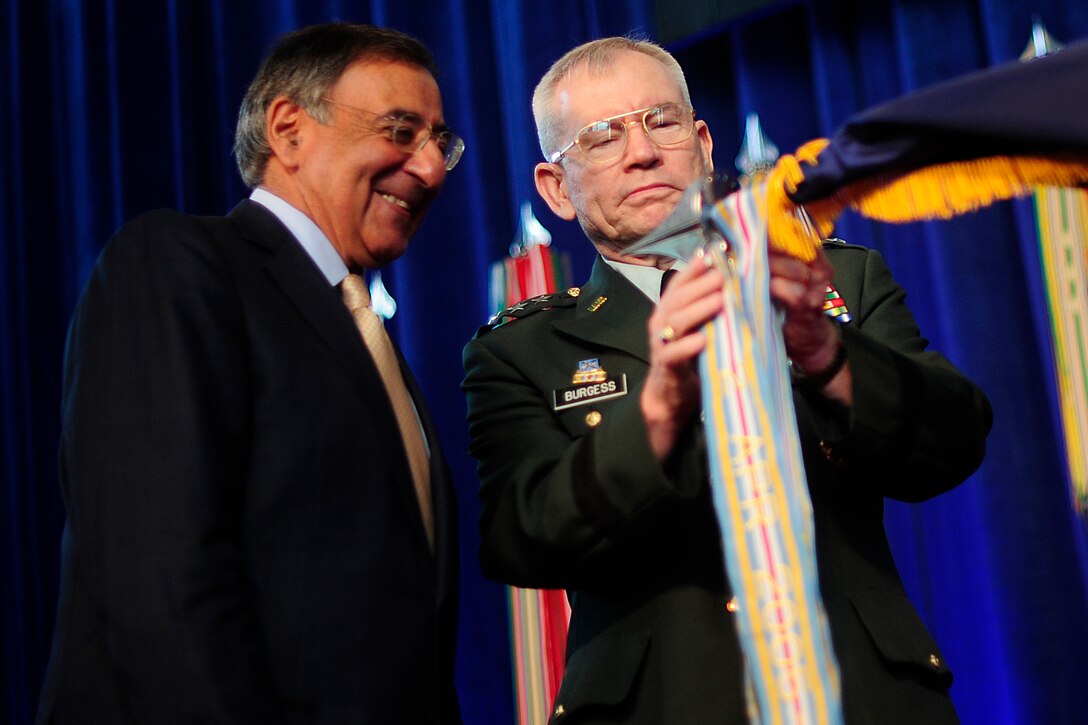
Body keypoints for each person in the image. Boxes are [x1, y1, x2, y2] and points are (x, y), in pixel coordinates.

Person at [462, 37, 992, 724]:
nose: (643, 152)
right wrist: (656, 411)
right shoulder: (521, 349)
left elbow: (955, 441)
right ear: (556, 188)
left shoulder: (835, 280)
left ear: (704, 143)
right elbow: (520, 538)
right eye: (600, 139)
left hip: (865, 692)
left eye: (662, 120)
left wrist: (825, 353)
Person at [37, 23, 462, 723]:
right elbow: (163, 582)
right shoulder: (176, 266)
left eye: (439, 141)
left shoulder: (363, 334)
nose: (432, 168)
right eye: (400, 130)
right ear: (290, 130)